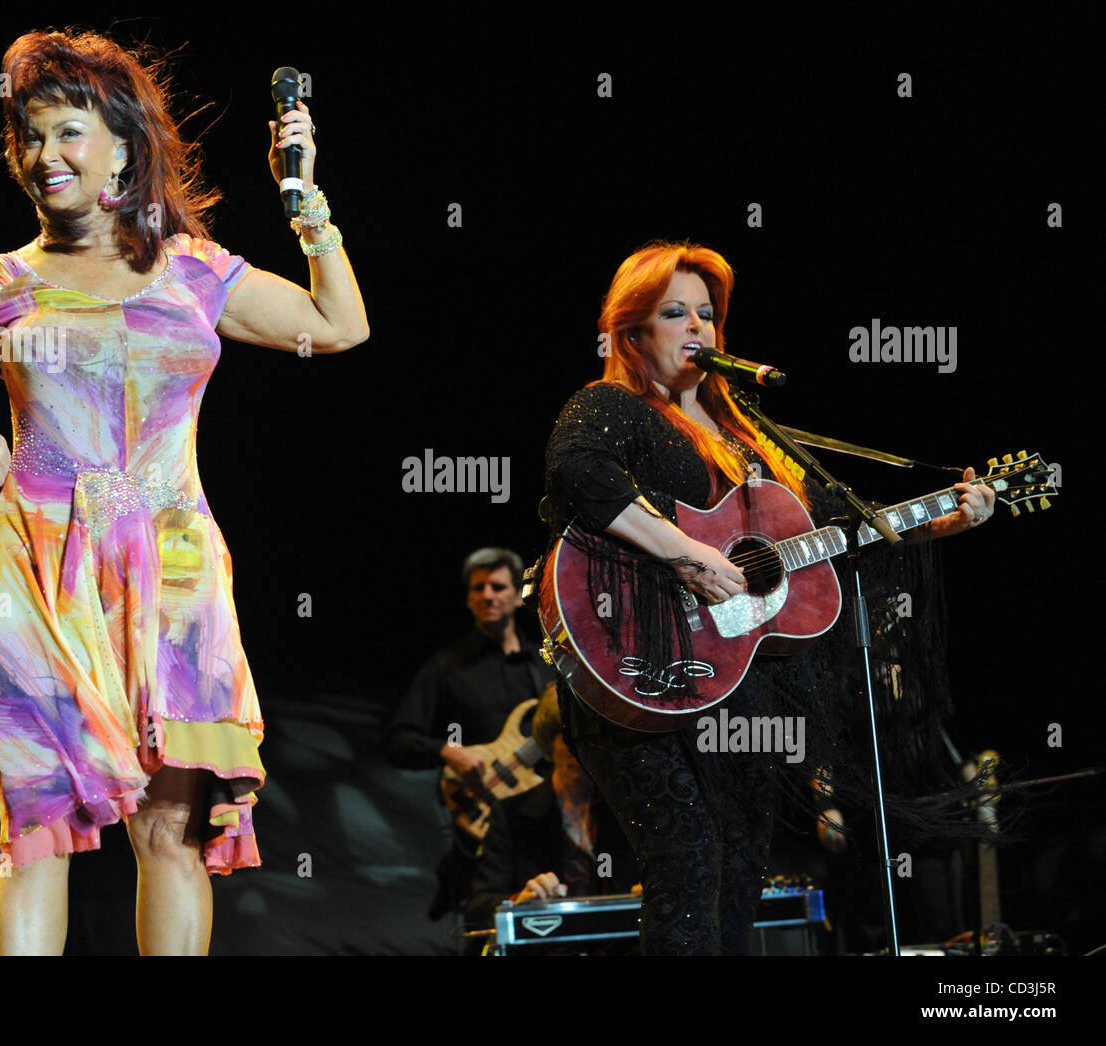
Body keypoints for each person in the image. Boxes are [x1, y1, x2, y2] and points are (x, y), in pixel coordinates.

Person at [0, 30, 368, 956]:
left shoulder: (197, 271)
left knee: (170, 829)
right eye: (30, 138)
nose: (45, 158)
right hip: (45, 566)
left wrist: (303, 194)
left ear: (123, 147)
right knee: (40, 826)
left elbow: (339, 326)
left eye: (68, 134)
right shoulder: (0, 285)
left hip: (173, 569)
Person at [541, 241, 994, 955]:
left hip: (740, 687)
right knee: (686, 865)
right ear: (631, 331)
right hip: (636, 665)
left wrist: (939, 519)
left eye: (708, 315)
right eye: (674, 313)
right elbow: (579, 475)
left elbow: (838, 534)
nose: (698, 329)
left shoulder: (754, 440)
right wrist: (687, 553)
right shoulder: (612, 407)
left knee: (738, 870)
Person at [384, 547, 556, 922]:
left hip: (541, 824)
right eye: (478, 588)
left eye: (497, 586)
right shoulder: (447, 667)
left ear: (517, 595)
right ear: (467, 598)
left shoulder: (545, 667)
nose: (487, 596)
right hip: (478, 831)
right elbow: (398, 740)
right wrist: (449, 752)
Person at [466, 684, 641, 937]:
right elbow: (477, 907)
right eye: (568, 739)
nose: (579, 753)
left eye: (590, 740)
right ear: (548, 741)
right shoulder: (511, 815)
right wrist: (519, 901)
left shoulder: (625, 810)